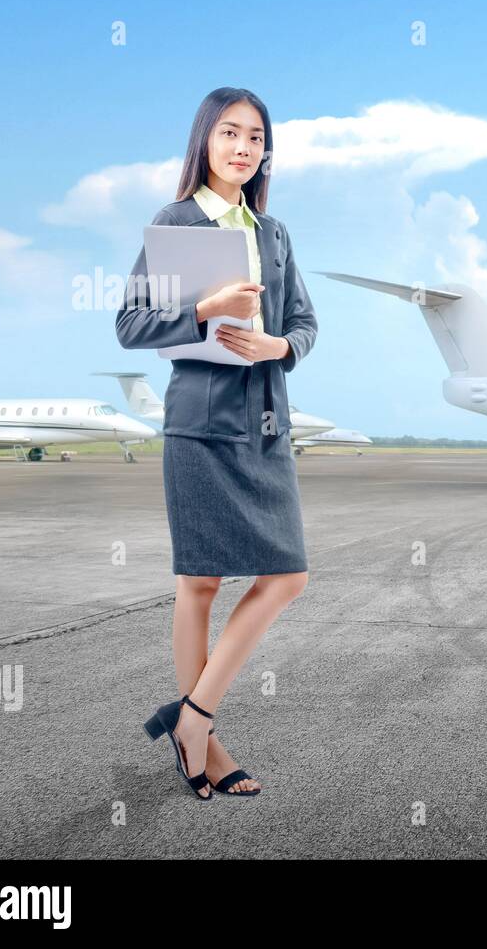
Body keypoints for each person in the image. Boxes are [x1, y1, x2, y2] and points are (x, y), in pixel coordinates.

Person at [119, 86, 317, 799]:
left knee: (287, 575)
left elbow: (305, 326)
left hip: (265, 423)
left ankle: (191, 717)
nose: (243, 147)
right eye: (230, 133)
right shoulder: (174, 223)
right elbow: (130, 326)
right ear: (204, 141)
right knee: (198, 583)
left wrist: (276, 346)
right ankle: (208, 742)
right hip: (199, 424)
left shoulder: (275, 234)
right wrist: (205, 308)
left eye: (256, 138)